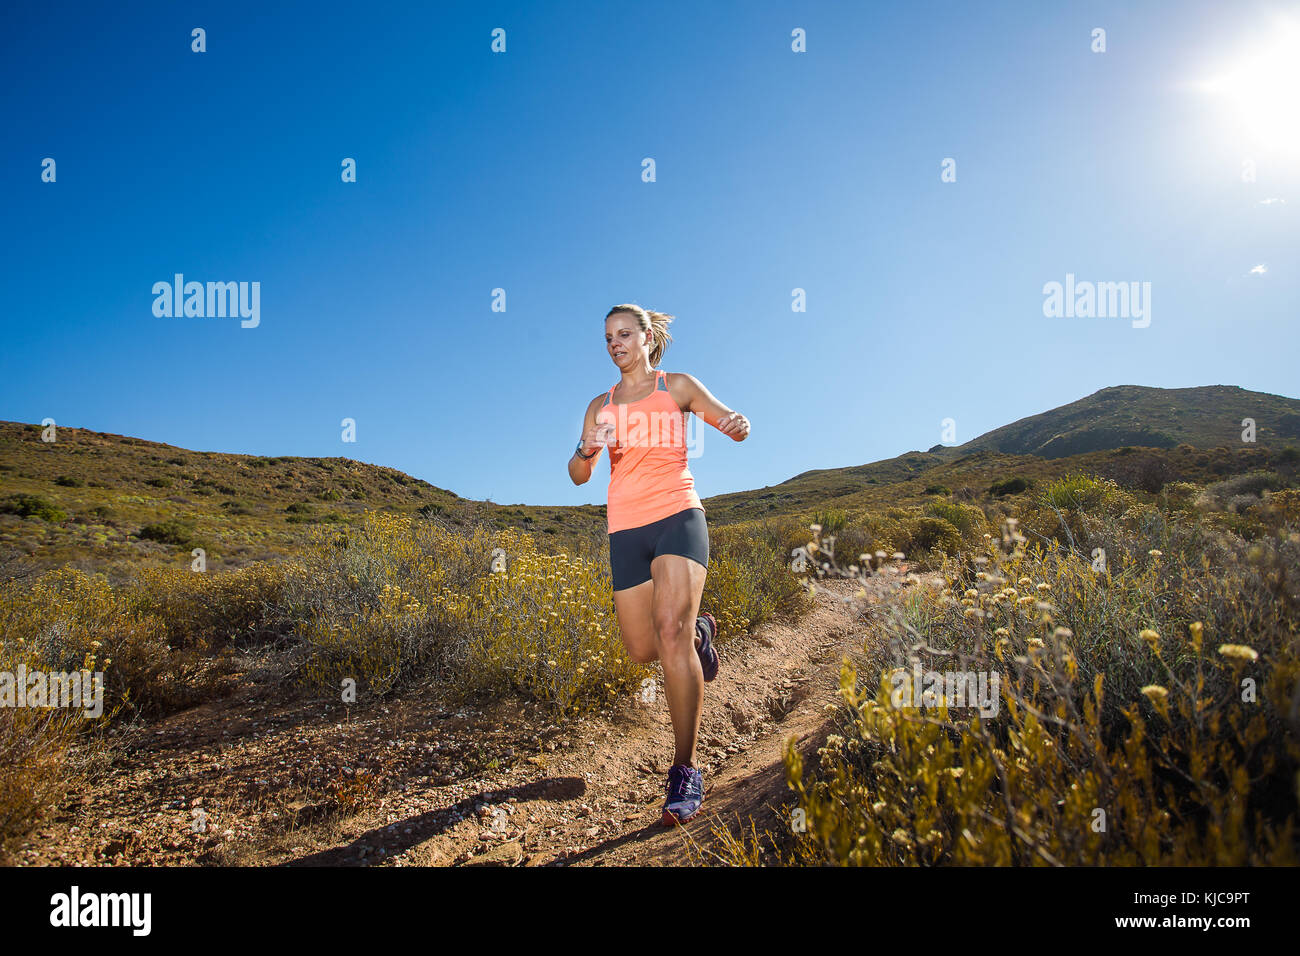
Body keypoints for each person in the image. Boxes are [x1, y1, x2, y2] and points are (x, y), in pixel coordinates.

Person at [567, 303, 751, 825]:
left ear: (647, 337)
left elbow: (730, 422)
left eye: (624, 333)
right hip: (626, 528)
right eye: (608, 337)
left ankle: (684, 771)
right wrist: (587, 447)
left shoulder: (678, 387)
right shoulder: (599, 406)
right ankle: (700, 636)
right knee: (643, 648)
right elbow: (580, 475)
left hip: (677, 514)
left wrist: (737, 425)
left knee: (667, 631)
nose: (615, 343)